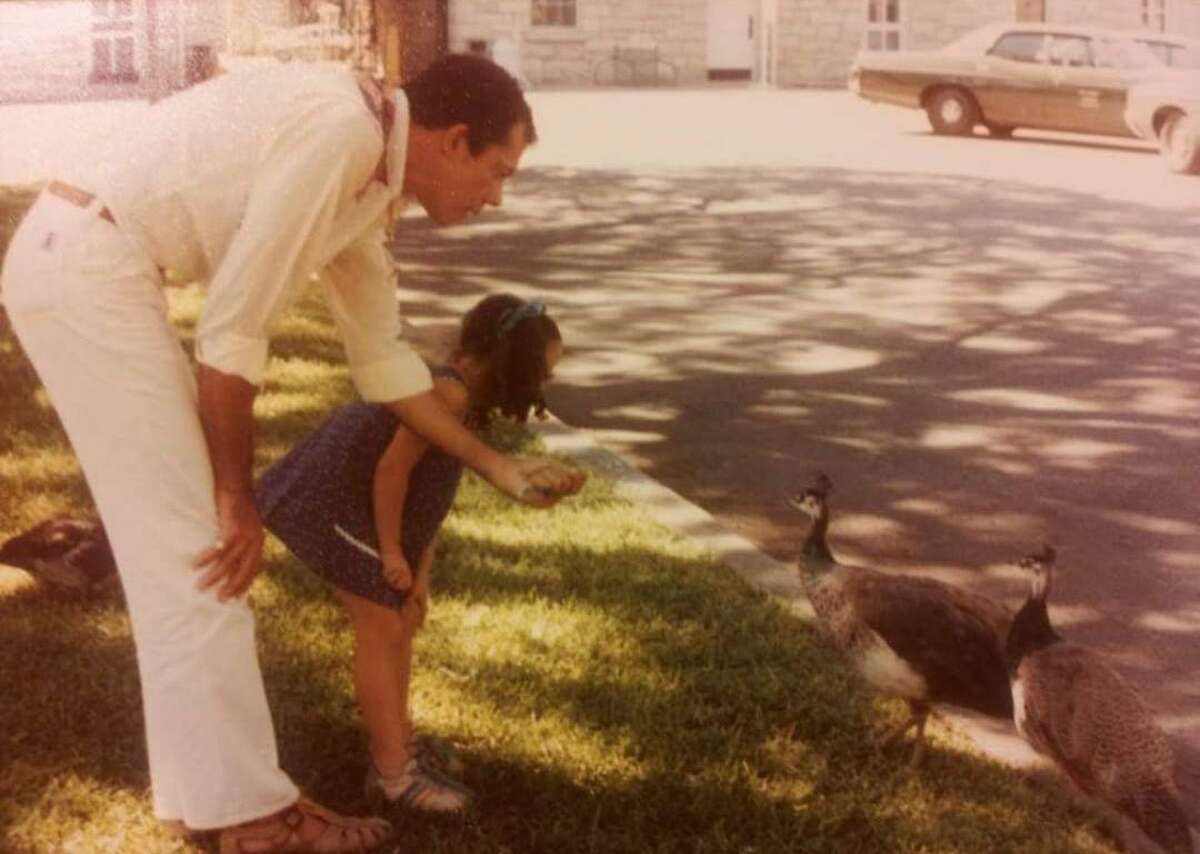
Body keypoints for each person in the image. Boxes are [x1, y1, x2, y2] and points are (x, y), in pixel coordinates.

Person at [0, 54, 584, 852]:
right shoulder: (344, 135)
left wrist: (498, 466)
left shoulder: (367, 168)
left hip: (85, 261)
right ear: (454, 140)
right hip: (85, 268)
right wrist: (237, 498)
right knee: (207, 552)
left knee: (188, 561)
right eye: (497, 171)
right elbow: (232, 331)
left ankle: (207, 798)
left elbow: (382, 360)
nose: (495, 198)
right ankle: (251, 816)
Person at [257, 293, 563, 815]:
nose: (543, 384)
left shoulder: (465, 400)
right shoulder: (447, 393)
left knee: (401, 617)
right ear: (507, 361)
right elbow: (391, 473)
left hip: (357, 503)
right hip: (327, 499)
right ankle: (393, 774)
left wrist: (418, 572)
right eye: (540, 372)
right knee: (382, 624)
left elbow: (427, 498)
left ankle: (399, 743)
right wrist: (391, 554)